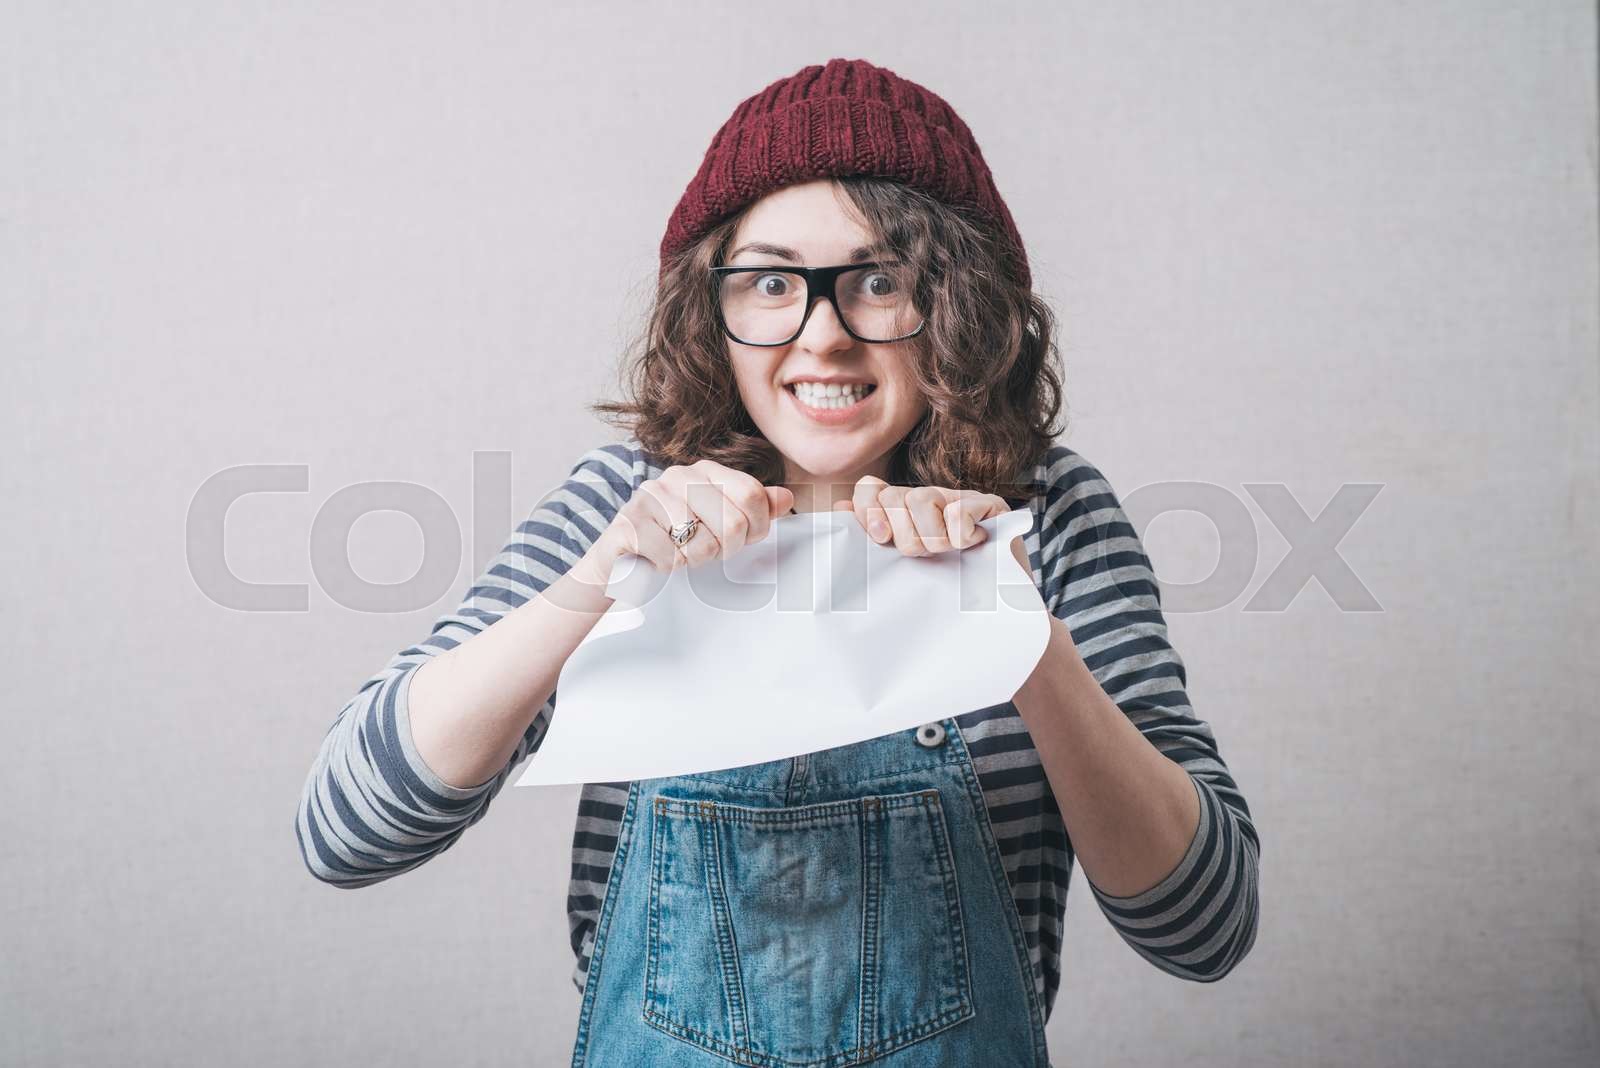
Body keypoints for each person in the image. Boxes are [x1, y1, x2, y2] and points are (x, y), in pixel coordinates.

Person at [296, 57, 1260, 1067]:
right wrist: (598, 583)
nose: (823, 336)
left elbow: (1204, 929)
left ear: (964, 304)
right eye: (768, 282)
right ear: (708, 310)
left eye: (882, 281)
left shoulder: (1048, 516)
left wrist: (1019, 638)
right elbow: (344, 832)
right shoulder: (624, 505)